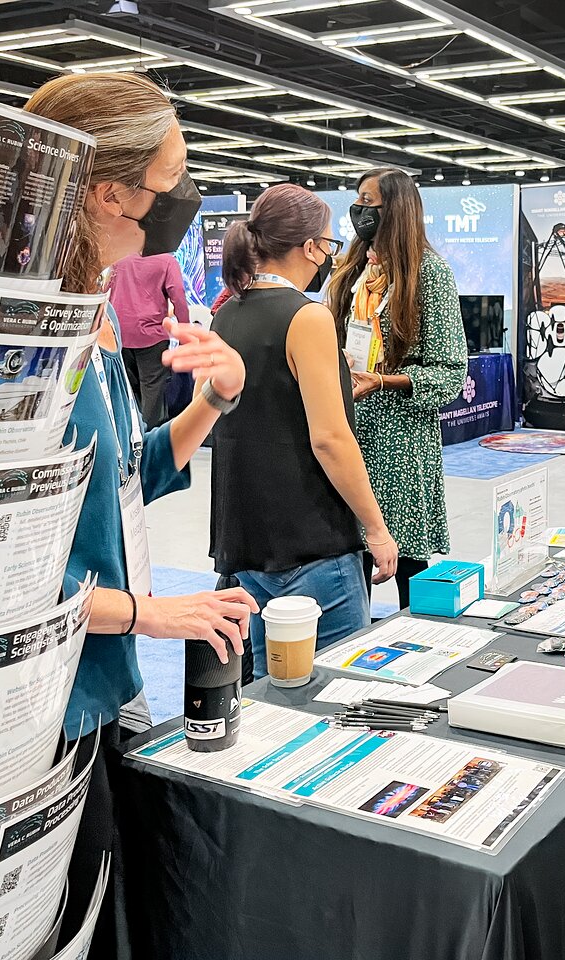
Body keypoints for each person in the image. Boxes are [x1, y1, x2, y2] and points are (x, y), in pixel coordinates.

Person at [25, 71, 255, 960]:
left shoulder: (97, 323)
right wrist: (151, 615)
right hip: (38, 717)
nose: (182, 205)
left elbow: (130, 476)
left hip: (104, 697)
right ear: (108, 192)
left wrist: (209, 402)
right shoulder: (24, 341)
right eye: (170, 182)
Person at [211, 184, 399, 682]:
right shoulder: (307, 317)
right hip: (311, 543)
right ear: (311, 247)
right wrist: (376, 528)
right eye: (330, 244)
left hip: (244, 540)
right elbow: (330, 439)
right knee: (333, 694)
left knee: (260, 698)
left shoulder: (227, 313)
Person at [326, 167, 467, 610]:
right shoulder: (351, 270)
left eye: (370, 203)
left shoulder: (430, 275)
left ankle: (418, 650)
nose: (359, 211)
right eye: (358, 201)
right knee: (351, 556)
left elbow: (450, 372)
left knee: (407, 560)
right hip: (349, 429)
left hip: (401, 440)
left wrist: (384, 380)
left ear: (397, 210)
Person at [107, 251, 189, 426]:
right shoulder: (167, 261)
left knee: (126, 392)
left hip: (119, 335)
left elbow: (105, 290)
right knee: (153, 394)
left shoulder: (119, 257)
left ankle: (130, 438)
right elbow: (179, 296)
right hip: (152, 338)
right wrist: (184, 333)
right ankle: (147, 443)